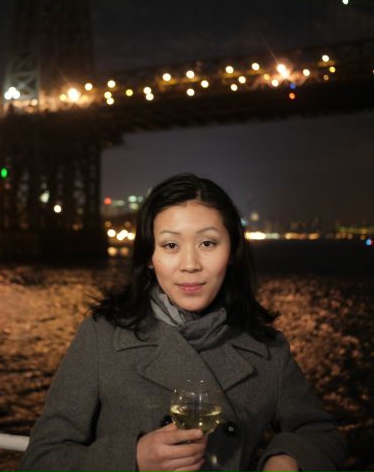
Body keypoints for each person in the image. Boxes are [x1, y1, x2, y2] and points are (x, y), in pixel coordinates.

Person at [19, 173, 346, 472]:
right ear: (150, 257)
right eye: (171, 245)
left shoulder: (266, 348)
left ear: (232, 251)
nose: (190, 264)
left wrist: (286, 459)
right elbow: (40, 459)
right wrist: (133, 458)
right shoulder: (101, 336)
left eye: (208, 243)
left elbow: (320, 433)